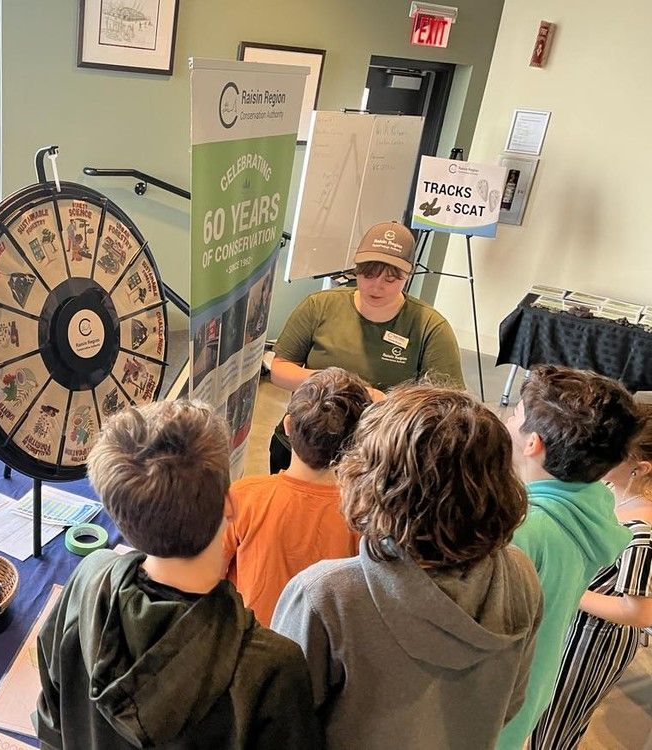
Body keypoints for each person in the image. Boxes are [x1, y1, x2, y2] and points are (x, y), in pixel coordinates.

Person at [33, 400, 316, 749]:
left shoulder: (89, 577)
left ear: (120, 517)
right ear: (230, 504)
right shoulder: (273, 668)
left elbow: (51, 721)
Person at [272, 384, 542, 749]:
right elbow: (510, 704)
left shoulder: (325, 597)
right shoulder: (519, 575)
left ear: (371, 481)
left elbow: (280, 728)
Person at [498, 366, 640, 749]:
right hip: (535, 685)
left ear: (533, 443)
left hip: (499, 700)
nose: (508, 420)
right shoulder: (593, 502)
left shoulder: (524, 530)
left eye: (516, 413)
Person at [268, 221, 464, 472]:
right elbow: (280, 370)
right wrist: (338, 385)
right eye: (368, 274)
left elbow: (449, 408)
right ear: (356, 269)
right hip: (306, 446)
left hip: (377, 457)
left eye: (390, 278)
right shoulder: (319, 306)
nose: (377, 285)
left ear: (408, 275)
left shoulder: (429, 327)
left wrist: (388, 402)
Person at [530, 402, 652, 749]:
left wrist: (573, 590)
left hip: (594, 641)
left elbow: (639, 612)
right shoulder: (613, 495)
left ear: (640, 468)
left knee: (556, 722)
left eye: (614, 453)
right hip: (576, 627)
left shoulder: (641, 532)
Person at [222, 367, 370, 626]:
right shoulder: (364, 514)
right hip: (324, 644)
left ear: (288, 426)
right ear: (358, 442)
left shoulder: (242, 497)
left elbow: (205, 579)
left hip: (253, 641)